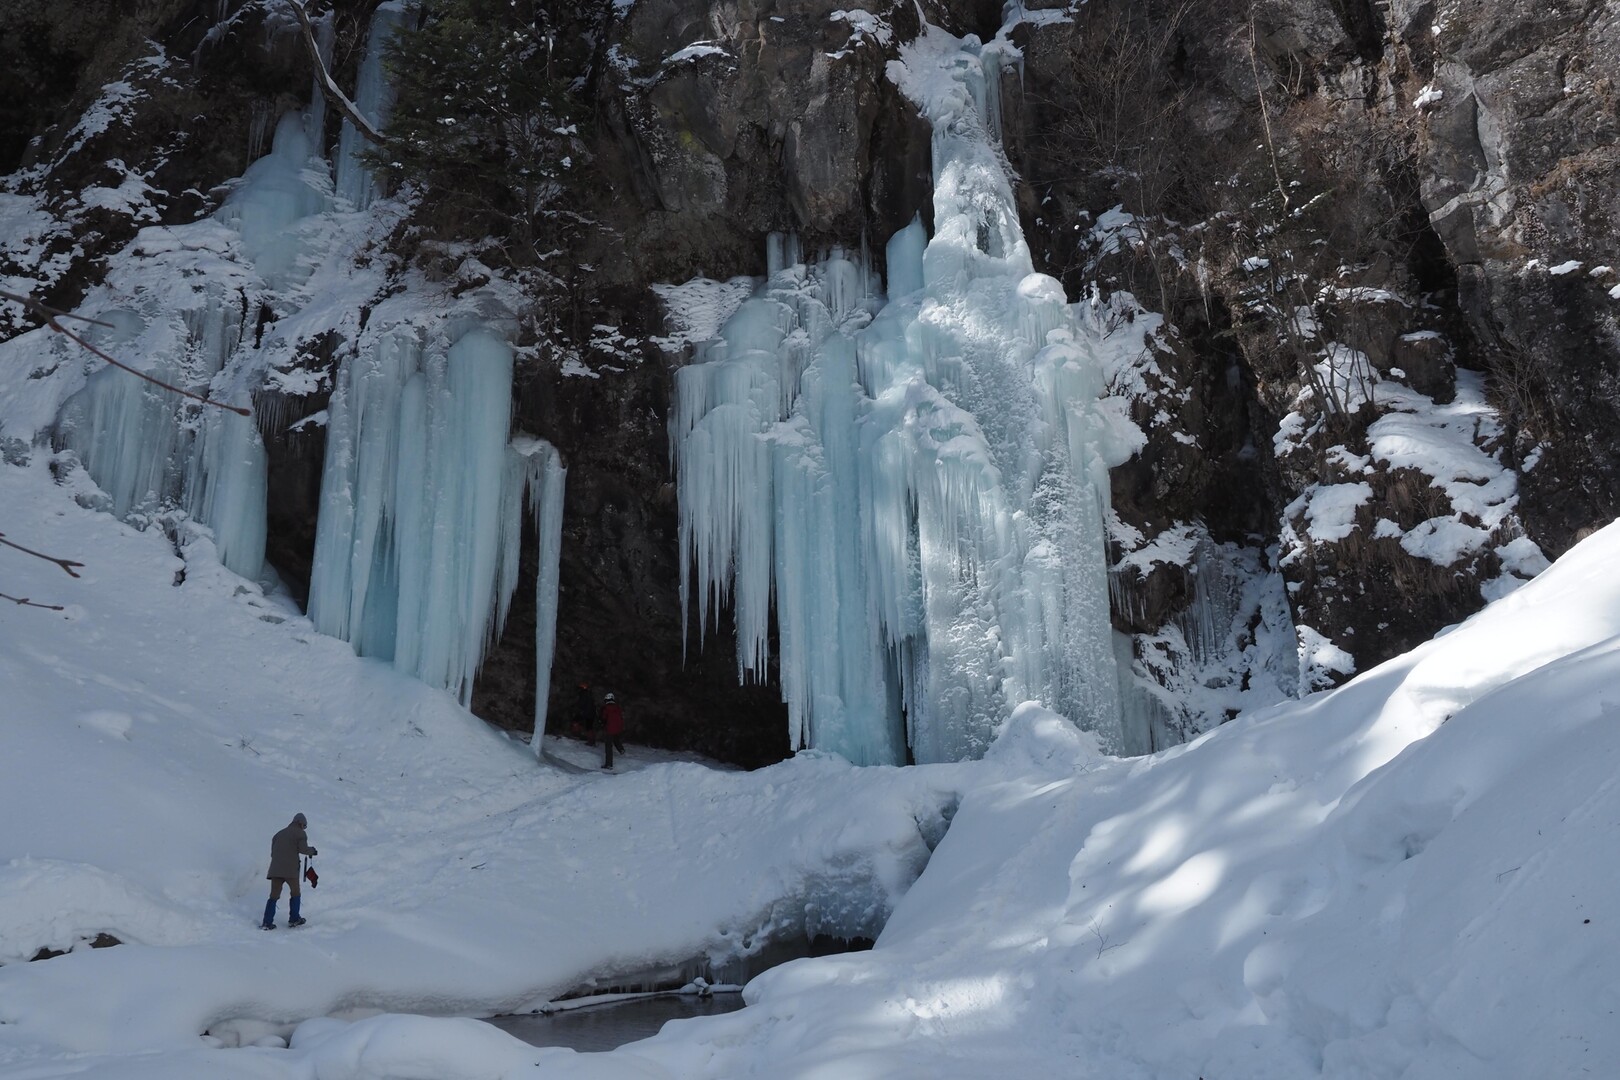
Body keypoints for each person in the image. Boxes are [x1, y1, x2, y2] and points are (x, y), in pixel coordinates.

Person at [261, 812, 316, 930]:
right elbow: (303, 849)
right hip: (291, 870)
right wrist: (312, 851)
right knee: (295, 893)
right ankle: (294, 919)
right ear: (301, 823)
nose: (304, 828)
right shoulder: (300, 834)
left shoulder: (278, 835)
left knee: (273, 896)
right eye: (304, 826)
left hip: (275, 870)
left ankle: (267, 922)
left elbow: (273, 853)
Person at [600, 692, 626, 770]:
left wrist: (602, 723)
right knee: (616, 738)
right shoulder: (617, 708)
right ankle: (621, 749)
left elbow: (603, 718)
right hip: (618, 728)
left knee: (608, 746)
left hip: (609, 729)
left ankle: (609, 764)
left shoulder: (606, 708)